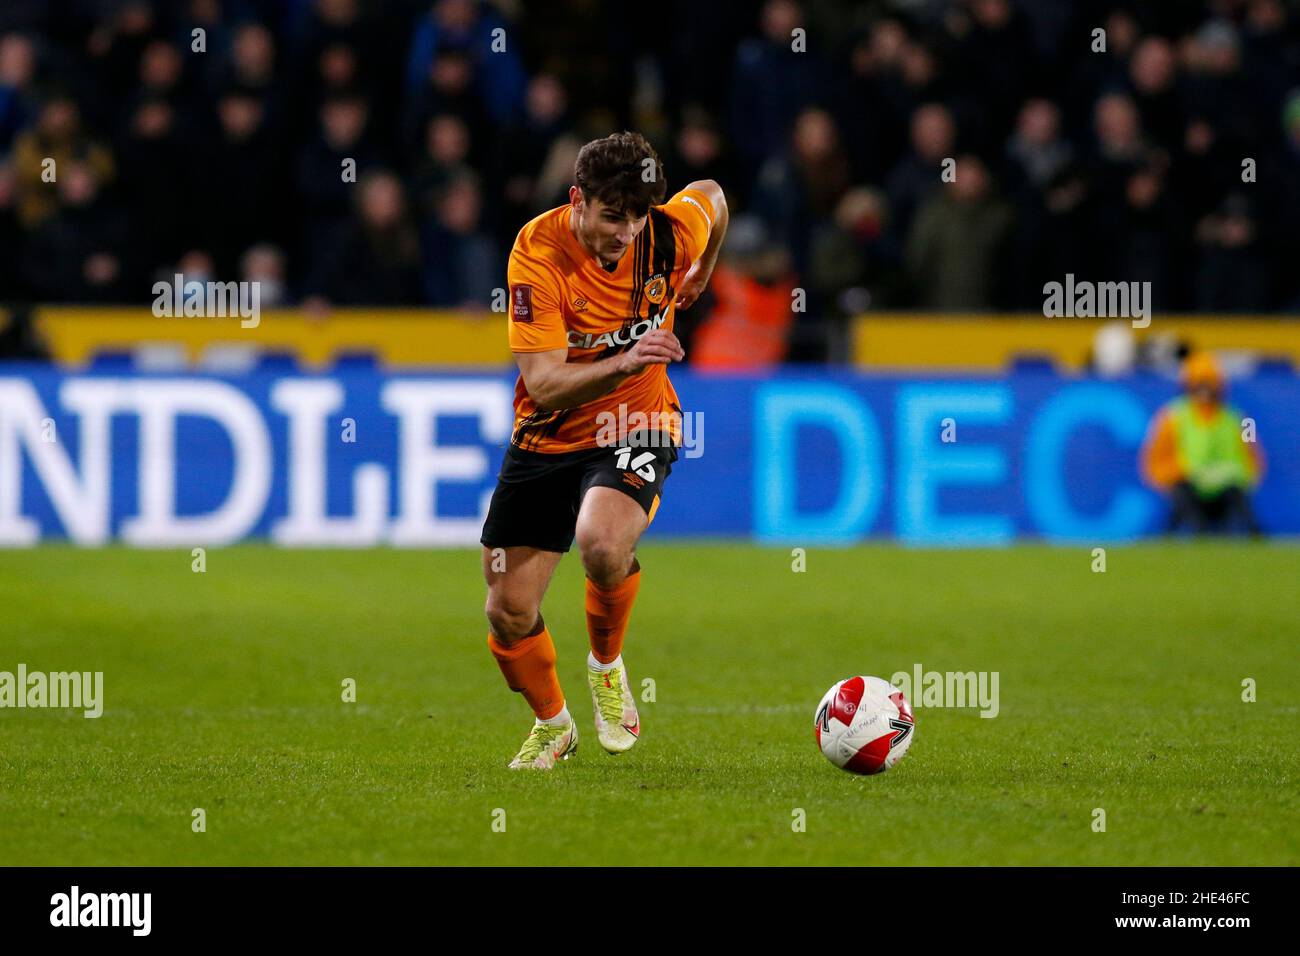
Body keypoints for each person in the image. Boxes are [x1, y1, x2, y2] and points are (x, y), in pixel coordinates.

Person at [479, 131, 728, 769]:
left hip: (637, 419)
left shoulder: (669, 236)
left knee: (602, 542)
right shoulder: (537, 251)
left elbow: (714, 196)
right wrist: (624, 361)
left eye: (637, 217)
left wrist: (705, 268)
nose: (625, 233)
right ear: (577, 201)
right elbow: (543, 382)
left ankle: (607, 665)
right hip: (549, 430)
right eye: (612, 217)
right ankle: (554, 725)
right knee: (508, 611)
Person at [1141, 351, 1265, 534]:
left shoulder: (1236, 418)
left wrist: (1245, 478)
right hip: (1188, 486)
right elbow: (1155, 456)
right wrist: (1174, 475)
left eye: (1209, 384)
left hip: (1226, 488)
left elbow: (1253, 454)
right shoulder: (1172, 416)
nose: (1204, 392)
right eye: (1198, 385)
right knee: (1184, 498)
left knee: (1239, 499)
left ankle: (1256, 534)